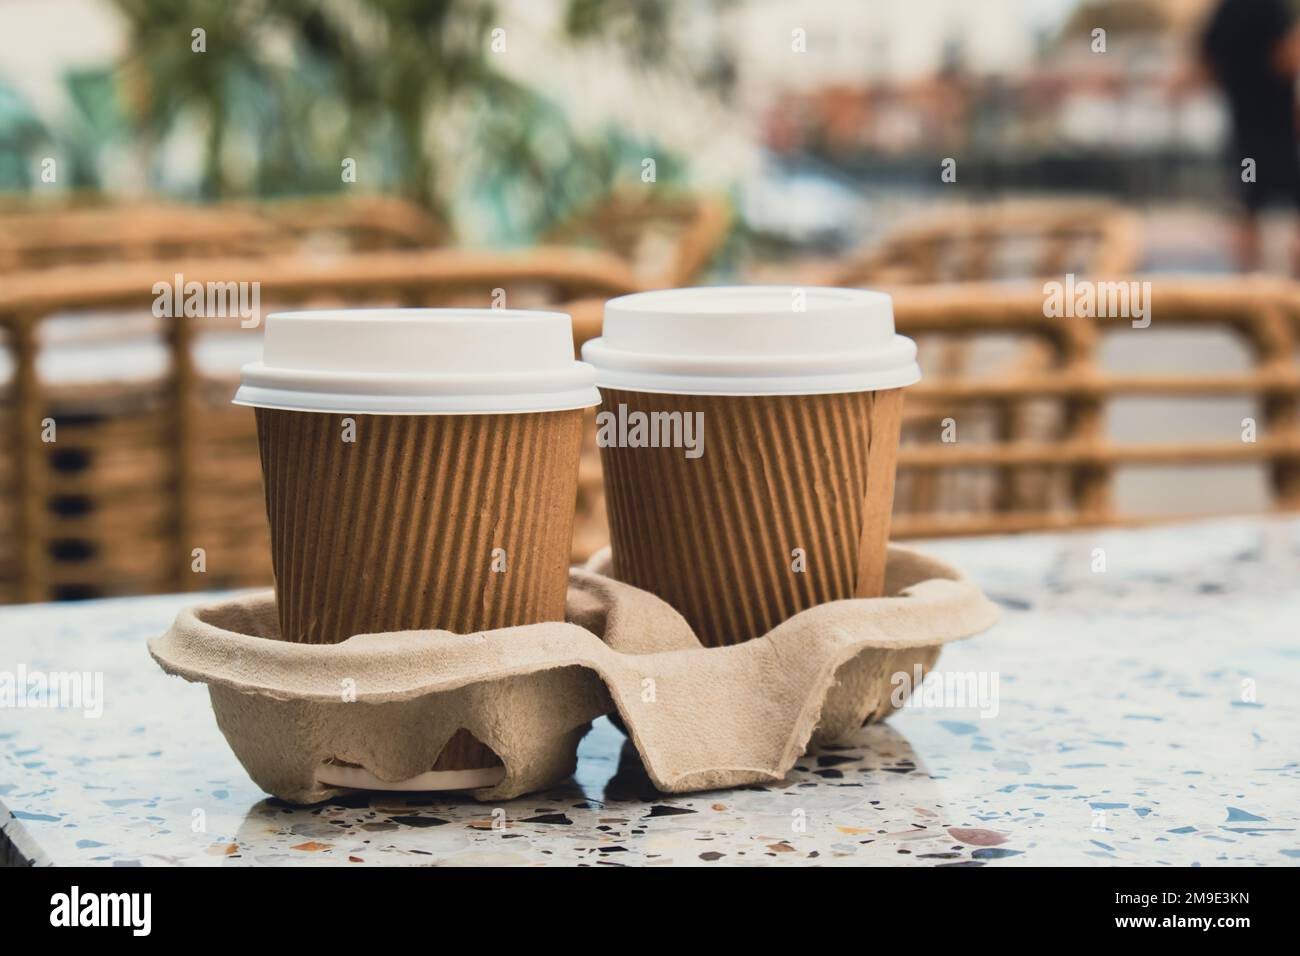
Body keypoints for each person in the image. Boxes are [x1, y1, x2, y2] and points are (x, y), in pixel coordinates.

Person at [1201, 0, 1300, 272]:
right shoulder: (1271, 8)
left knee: (1246, 208)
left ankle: (1246, 288)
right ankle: (1292, 292)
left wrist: (1236, 78)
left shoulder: (1224, 11)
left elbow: (1205, 61)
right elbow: (1287, 58)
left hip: (1244, 127)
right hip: (1277, 128)